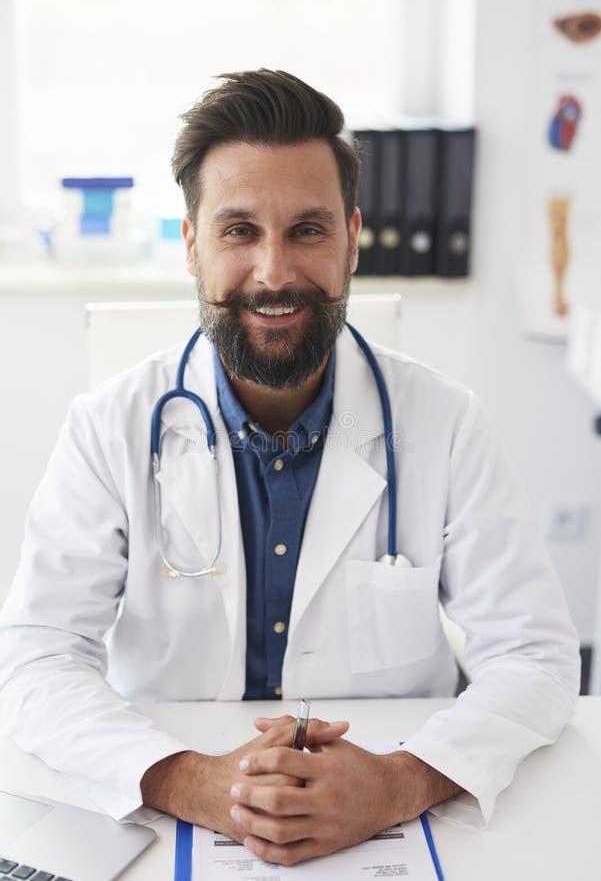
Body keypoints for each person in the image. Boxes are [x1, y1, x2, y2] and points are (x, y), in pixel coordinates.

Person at [0, 69, 580, 866]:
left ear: (350, 237)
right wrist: (198, 783)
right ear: (191, 245)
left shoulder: (444, 423)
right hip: (169, 814)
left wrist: (401, 781)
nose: (273, 273)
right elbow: (37, 656)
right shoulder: (109, 427)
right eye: (239, 230)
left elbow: (535, 656)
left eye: (307, 230)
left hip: (396, 825)